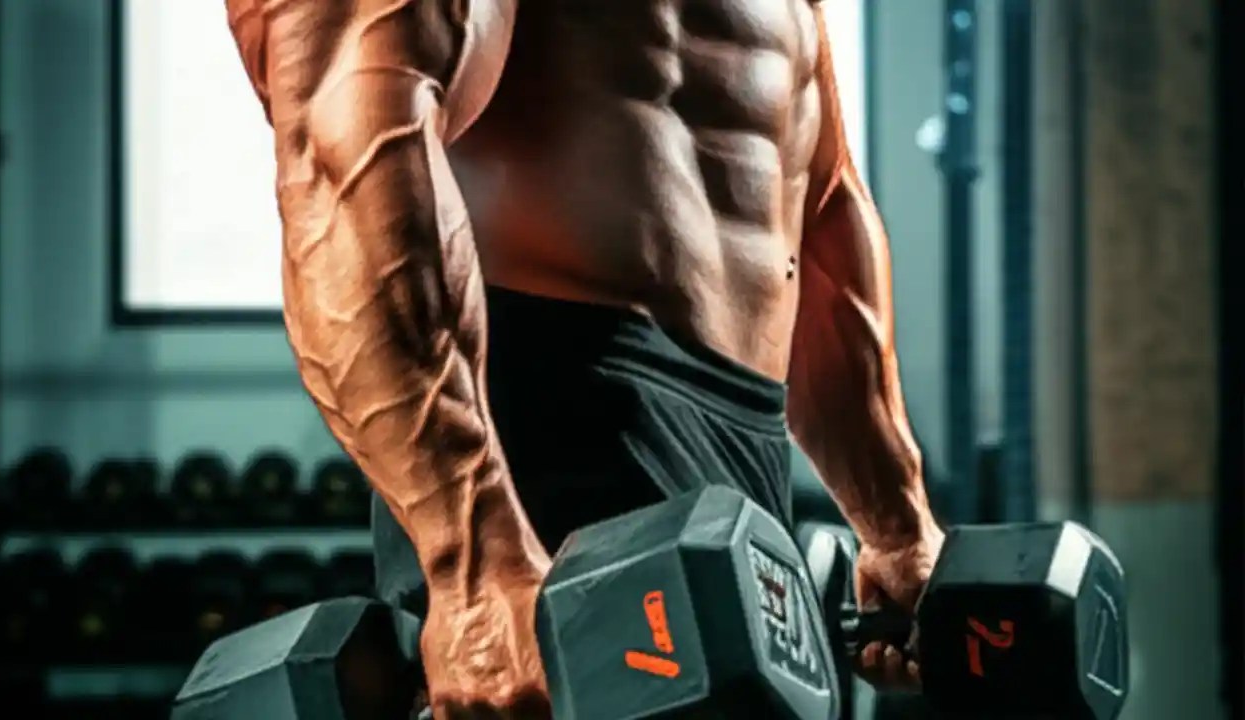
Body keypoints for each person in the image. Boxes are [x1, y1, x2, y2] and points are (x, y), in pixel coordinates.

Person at [223, 0, 945, 717]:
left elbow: (815, 203)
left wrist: (898, 524)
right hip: (544, 438)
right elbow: (344, 158)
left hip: (743, 447)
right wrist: (472, 566)